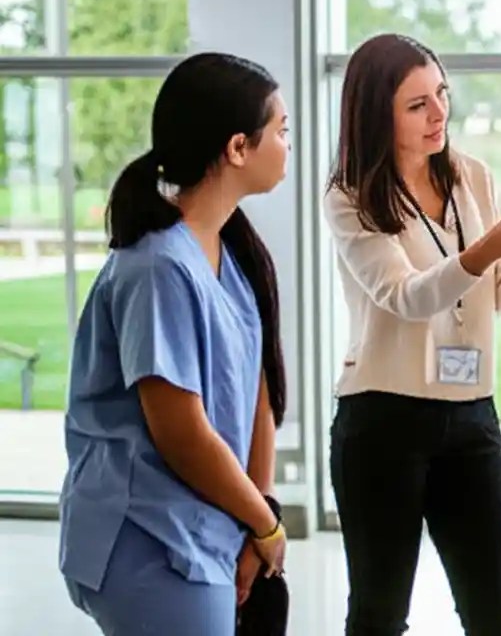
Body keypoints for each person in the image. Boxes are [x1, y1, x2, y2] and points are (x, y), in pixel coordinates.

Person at [324, 33, 501, 636]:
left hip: (470, 418)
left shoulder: (471, 176)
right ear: (377, 114)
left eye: (442, 95)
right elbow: (405, 296)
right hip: (382, 423)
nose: (438, 115)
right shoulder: (349, 196)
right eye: (416, 105)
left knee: (497, 619)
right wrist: (487, 251)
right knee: (378, 617)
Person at [58, 52, 291, 635]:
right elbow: (180, 432)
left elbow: (256, 395)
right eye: (281, 131)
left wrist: (255, 526)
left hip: (210, 526)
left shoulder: (229, 251)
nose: (289, 145)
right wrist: (263, 525)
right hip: (146, 539)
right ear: (239, 147)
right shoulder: (157, 267)